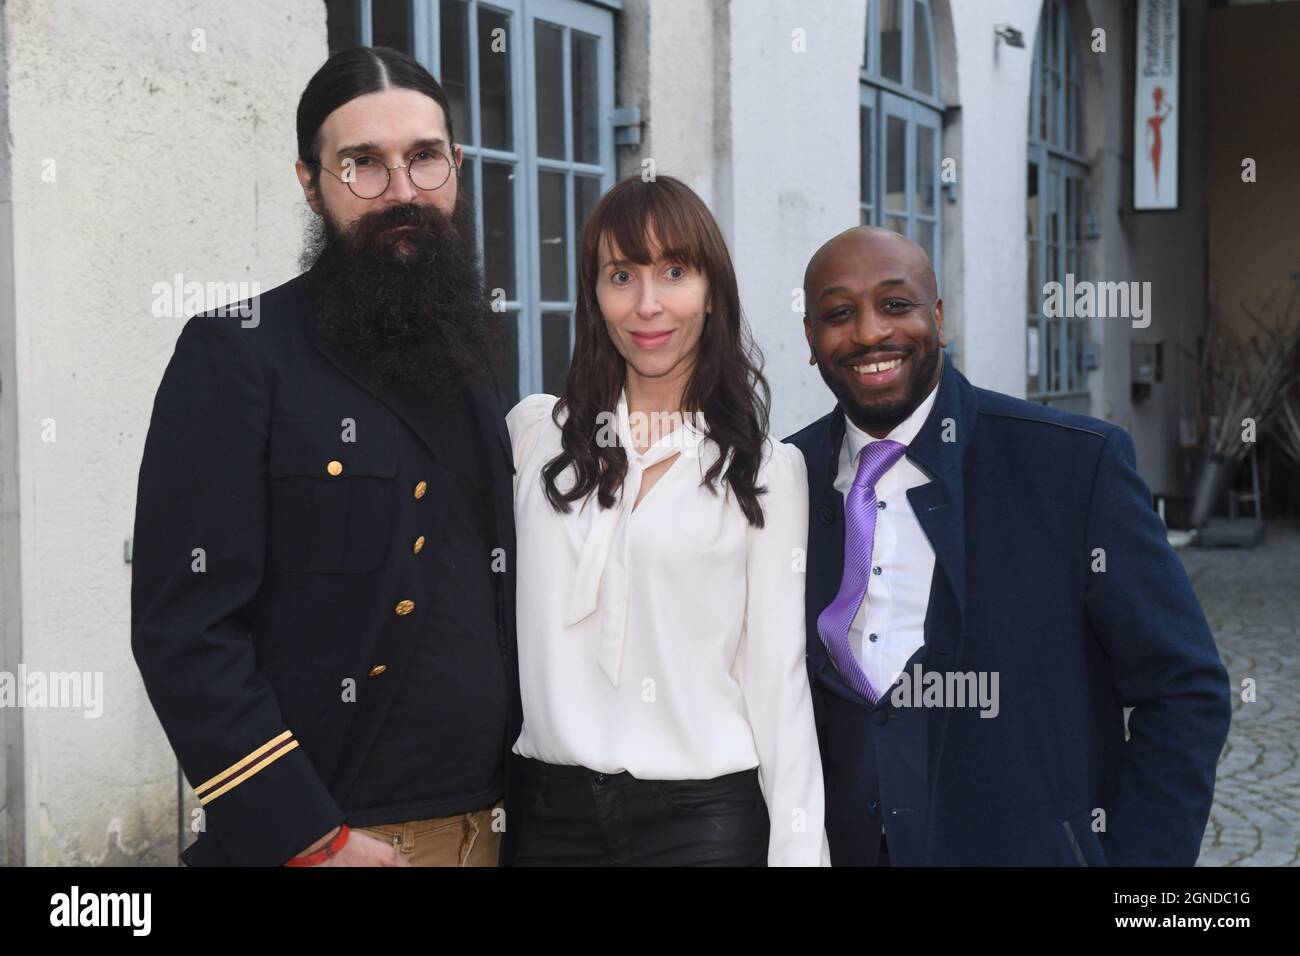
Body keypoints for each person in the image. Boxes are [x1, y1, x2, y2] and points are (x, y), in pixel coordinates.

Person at [131, 46, 520, 867]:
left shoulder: (473, 354)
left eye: (423, 158)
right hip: (340, 840)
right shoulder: (237, 354)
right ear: (310, 183)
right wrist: (305, 834)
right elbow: (185, 628)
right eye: (362, 166)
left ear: (457, 165)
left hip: (493, 829)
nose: (402, 191)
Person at [785, 225, 1231, 866]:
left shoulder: (1072, 466)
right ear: (810, 340)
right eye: (837, 314)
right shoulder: (781, 480)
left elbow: (1185, 690)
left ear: (938, 319)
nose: (869, 334)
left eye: (895, 304)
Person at [505, 175, 826, 865]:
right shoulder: (535, 436)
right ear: (594, 294)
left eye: (674, 272)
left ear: (712, 292)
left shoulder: (766, 471)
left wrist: (800, 853)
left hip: (704, 824)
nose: (648, 304)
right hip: (549, 821)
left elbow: (779, 679)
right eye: (621, 275)